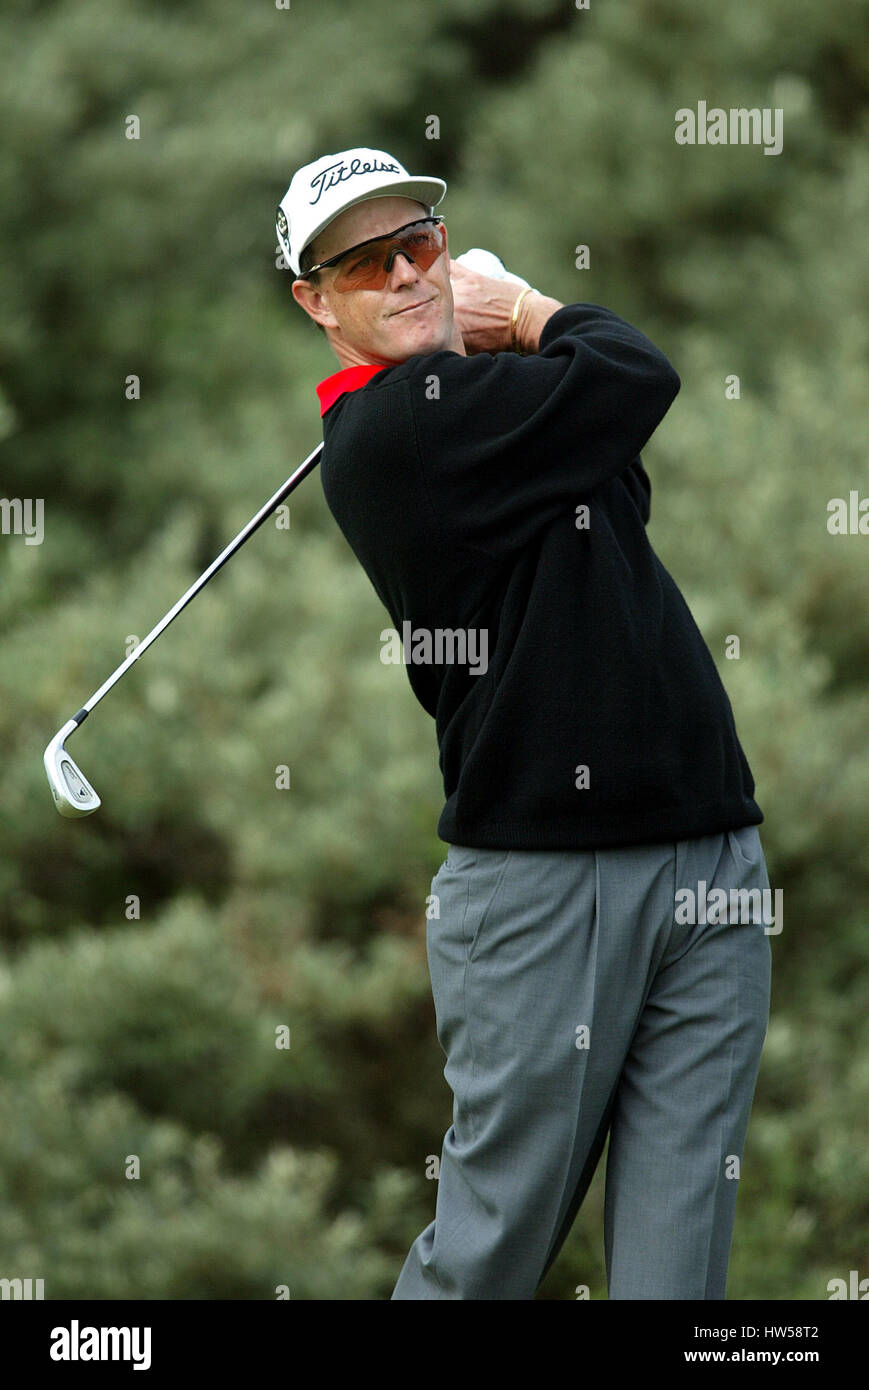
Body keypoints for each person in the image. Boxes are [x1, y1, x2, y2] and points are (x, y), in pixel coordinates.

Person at [276, 147, 772, 1300]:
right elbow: (634, 373)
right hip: (545, 882)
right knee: (485, 1258)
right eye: (362, 263)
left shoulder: (491, 401)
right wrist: (532, 311)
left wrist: (500, 337)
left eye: (420, 244)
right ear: (316, 301)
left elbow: (609, 450)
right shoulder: (392, 431)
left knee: (677, 1257)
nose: (402, 273)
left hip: (708, 844)